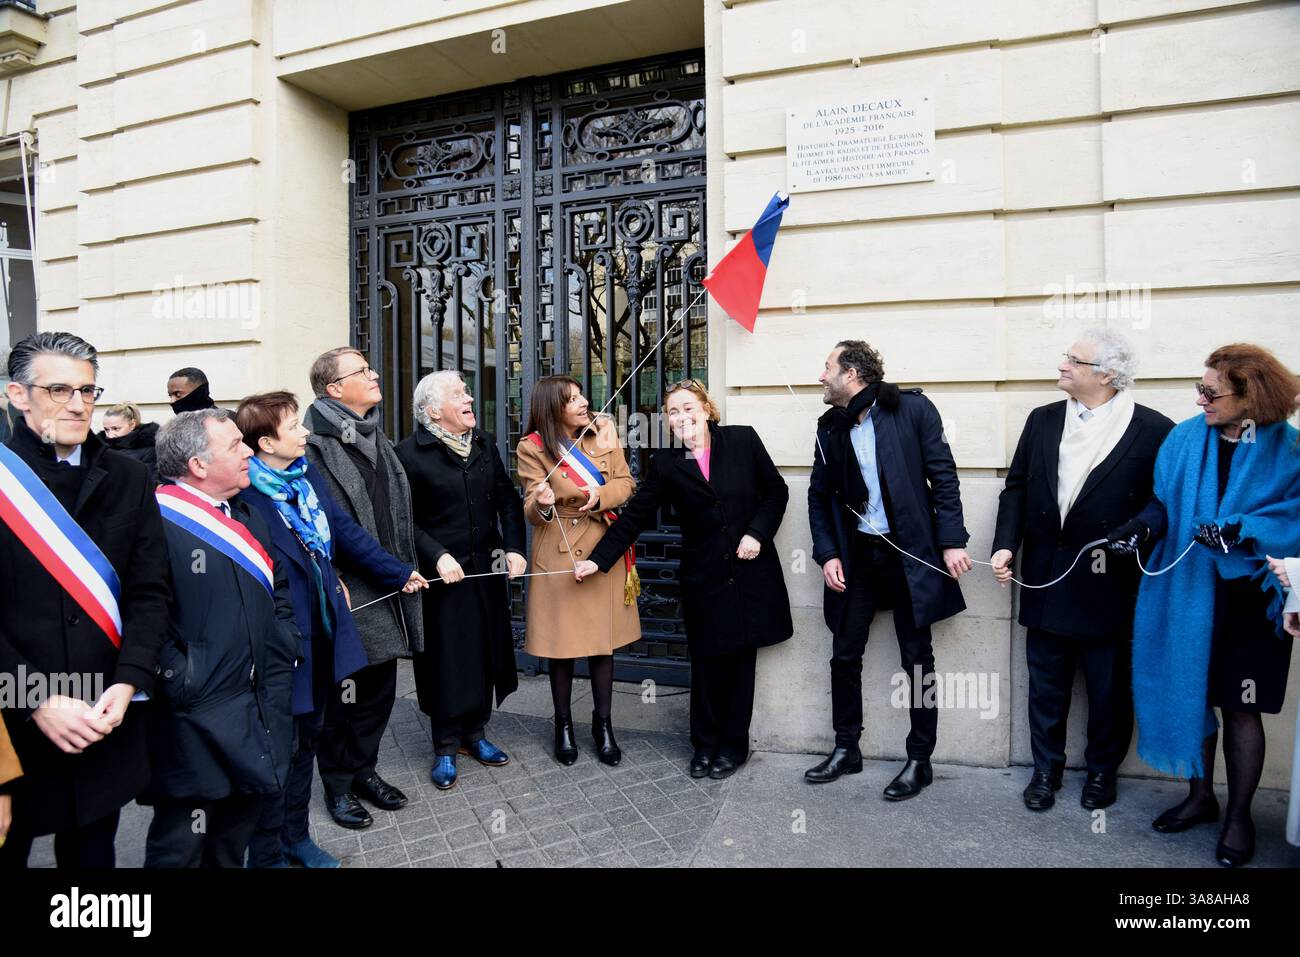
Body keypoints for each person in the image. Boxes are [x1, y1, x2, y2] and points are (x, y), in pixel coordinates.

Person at [1113, 343, 1300, 867]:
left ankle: (1239, 816)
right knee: (1189, 692)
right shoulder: (1182, 439)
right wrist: (1138, 530)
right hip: (1188, 589)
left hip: (1253, 597)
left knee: (1241, 707)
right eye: (1200, 389)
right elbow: (1163, 505)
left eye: (1211, 392)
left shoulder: (1288, 450)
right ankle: (1201, 796)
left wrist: (1243, 529)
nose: (1201, 400)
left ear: (1250, 395)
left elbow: (1295, 517)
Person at [0, 332, 170, 868]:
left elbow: (150, 589)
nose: (77, 405)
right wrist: (36, 699)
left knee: (94, 858)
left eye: (88, 391)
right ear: (17, 395)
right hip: (13, 723)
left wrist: (130, 680)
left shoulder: (129, 475)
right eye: (58, 390)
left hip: (104, 714)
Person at [236, 391, 428, 867]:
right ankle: (269, 852)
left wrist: (397, 571)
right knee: (281, 749)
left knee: (307, 738)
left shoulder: (305, 478)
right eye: (292, 427)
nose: (304, 432)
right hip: (283, 644)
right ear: (265, 442)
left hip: (324, 631)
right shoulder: (246, 499)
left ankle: (298, 838)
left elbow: (344, 533)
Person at [991, 330, 1174, 812]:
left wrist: (1138, 529)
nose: (1063, 365)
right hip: (1047, 575)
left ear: (1107, 374)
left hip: (1109, 580)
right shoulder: (1043, 419)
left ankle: (1100, 773)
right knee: (1045, 684)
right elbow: (1015, 489)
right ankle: (1045, 771)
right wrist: (1006, 545)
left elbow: (1165, 502)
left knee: (1108, 688)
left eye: (1075, 360)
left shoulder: (1153, 429)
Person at [575, 379, 792, 780]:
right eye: (673, 412)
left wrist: (757, 533)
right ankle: (704, 745)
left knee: (741, 666)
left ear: (707, 409)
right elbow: (635, 517)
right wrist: (598, 561)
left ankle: (733, 747)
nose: (681, 417)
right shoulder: (667, 462)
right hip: (703, 577)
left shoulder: (742, 441)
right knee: (707, 664)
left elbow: (776, 492)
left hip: (748, 573)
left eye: (688, 408)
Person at [805, 340, 973, 800]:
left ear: (853, 373)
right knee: (843, 651)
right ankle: (846, 748)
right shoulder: (828, 428)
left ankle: (920, 760)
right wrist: (828, 554)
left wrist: (952, 541)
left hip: (909, 552)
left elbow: (944, 475)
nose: (821, 376)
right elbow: (818, 497)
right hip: (858, 555)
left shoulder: (911, 410)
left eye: (827, 367)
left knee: (917, 658)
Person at [143, 409, 300, 868]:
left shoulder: (248, 516)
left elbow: (280, 589)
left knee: (233, 837)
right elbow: (141, 617)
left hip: (259, 707)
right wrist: (180, 678)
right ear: (198, 465)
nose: (249, 450)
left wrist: (286, 642)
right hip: (194, 717)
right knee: (182, 845)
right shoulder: (156, 523)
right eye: (235, 445)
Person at [303, 347, 424, 829]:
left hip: (389, 582)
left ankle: (364, 771)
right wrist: (394, 570)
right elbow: (337, 529)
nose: (375, 375)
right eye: (363, 371)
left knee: (380, 690)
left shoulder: (378, 439)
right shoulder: (313, 445)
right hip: (351, 587)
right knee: (344, 695)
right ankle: (337, 786)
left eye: (372, 367)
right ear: (334, 389)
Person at [395, 370, 526, 790]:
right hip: (443, 577)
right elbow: (404, 521)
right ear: (433, 411)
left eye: (467, 392)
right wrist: (437, 555)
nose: (469, 398)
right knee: (448, 658)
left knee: (484, 651)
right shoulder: (408, 454)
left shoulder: (484, 443)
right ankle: (446, 745)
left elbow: (506, 497)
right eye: (459, 394)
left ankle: (477, 734)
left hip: (485, 570)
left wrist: (515, 547)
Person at [517, 376, 640, 766]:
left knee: (602, 645)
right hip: (559, 550)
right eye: (572, 400)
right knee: (562, 647)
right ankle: (563, 726)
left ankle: (603, 725)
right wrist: (544, 501)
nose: (584, 402)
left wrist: (596, 495)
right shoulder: (532, 446)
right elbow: (532, 512)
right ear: (553, 408)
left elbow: (625, 483)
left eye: (581, 395)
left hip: (603, 546)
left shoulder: (603, 430)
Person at [100, 402, 160, 481]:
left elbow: (148, 481)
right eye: (106, 429)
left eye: (116, 429)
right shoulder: (100, 448)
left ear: (132, 425)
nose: (110, 435)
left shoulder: (148, 450)